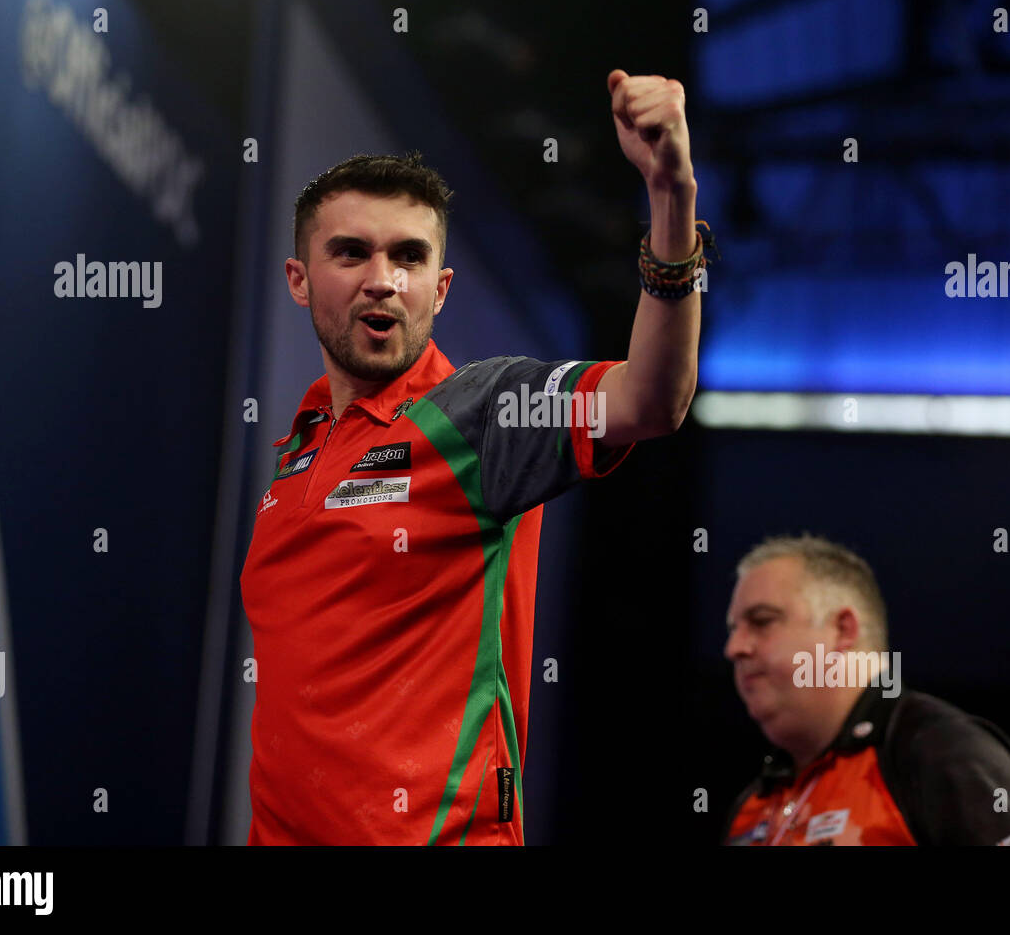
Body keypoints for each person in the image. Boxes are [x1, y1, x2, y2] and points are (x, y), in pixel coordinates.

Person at [240, 70, 706, 844]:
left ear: (441, 288)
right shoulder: (300, 443)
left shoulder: (482, 414)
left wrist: (672, 196)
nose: (381, 282)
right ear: (299, 279)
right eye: (350, 253)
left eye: (409, 258)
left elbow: (652, 399)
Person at [722, 534, 1010, 846]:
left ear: (842, 630)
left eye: (762, 621)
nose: (734, 647)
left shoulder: (935, 751)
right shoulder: (755, 803)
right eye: (733, 629)